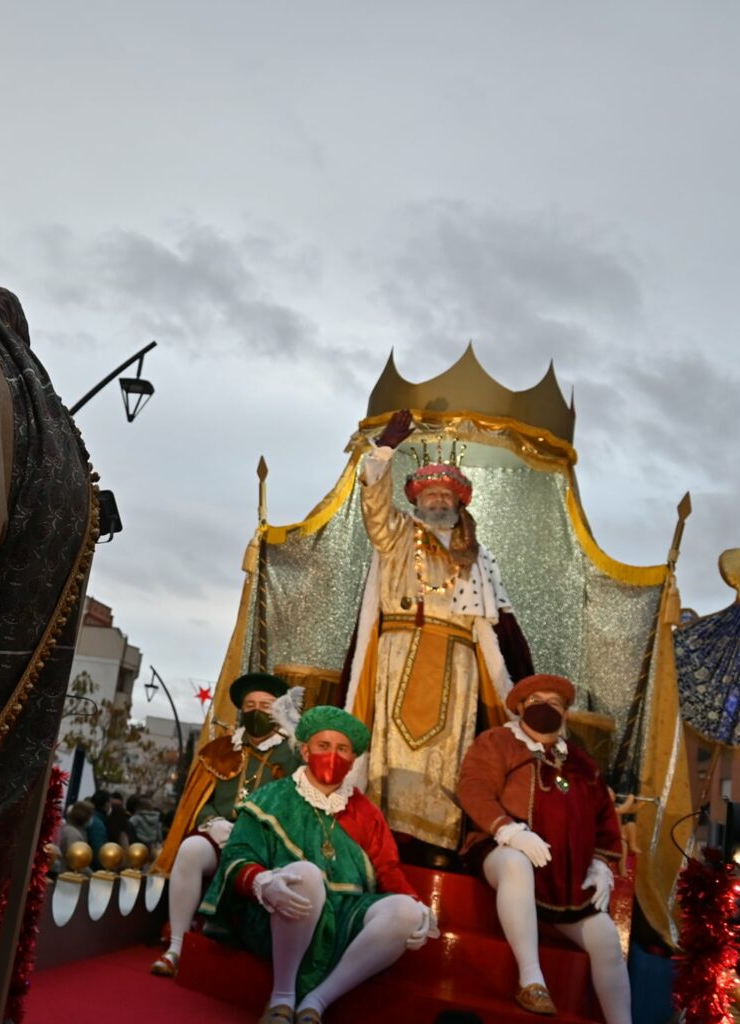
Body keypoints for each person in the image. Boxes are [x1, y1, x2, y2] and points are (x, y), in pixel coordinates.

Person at [345, 410, 534, 849]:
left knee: (447, 759)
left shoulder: (478, 557)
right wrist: (384, 450)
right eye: (429, 494)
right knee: (392, 755)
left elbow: (500, 625)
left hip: (457, 663)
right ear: (416, 500)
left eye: (445, 495)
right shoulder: (397, 534)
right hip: (398, 655)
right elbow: (374, 509)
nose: (436, 502)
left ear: (459, 502)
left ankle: (438, 847)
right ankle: (383, 840)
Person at [199, 706, 438, 1023]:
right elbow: (238, 854)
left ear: (353, 759)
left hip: (345, 916)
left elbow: (388, 870)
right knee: (305, 875)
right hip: (279, 912)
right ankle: (282, 998)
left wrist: (417, 905)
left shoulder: (366, 812)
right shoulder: (271, 797)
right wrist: (262, 882)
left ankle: (316, 1002)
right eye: (323, 746)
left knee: (406, 911)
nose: (333, 756)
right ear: (305, 750)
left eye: (342, 749)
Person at [457, 674, 629, 1022]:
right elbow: (473, 788)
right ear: (520, 707)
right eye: (536, 701)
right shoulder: (498, 742)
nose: (545, 708)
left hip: (563, 878)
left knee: (607, 939)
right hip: (500, 849)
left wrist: (600, 864)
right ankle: (531, 979)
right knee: (516, 863)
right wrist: (508, 830)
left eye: (554, 703)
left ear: (565, 712)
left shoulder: (581, 763)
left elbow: (603, 817)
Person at [150, 673, 303, 978]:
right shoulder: (220, 750)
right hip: (220, 837)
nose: (257, 711)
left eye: (265, 705)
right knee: (191, 849)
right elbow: (199, 802)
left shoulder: (294, 754)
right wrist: (212, 822)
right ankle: (176, 948)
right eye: (250, 705)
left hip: (265, 845)